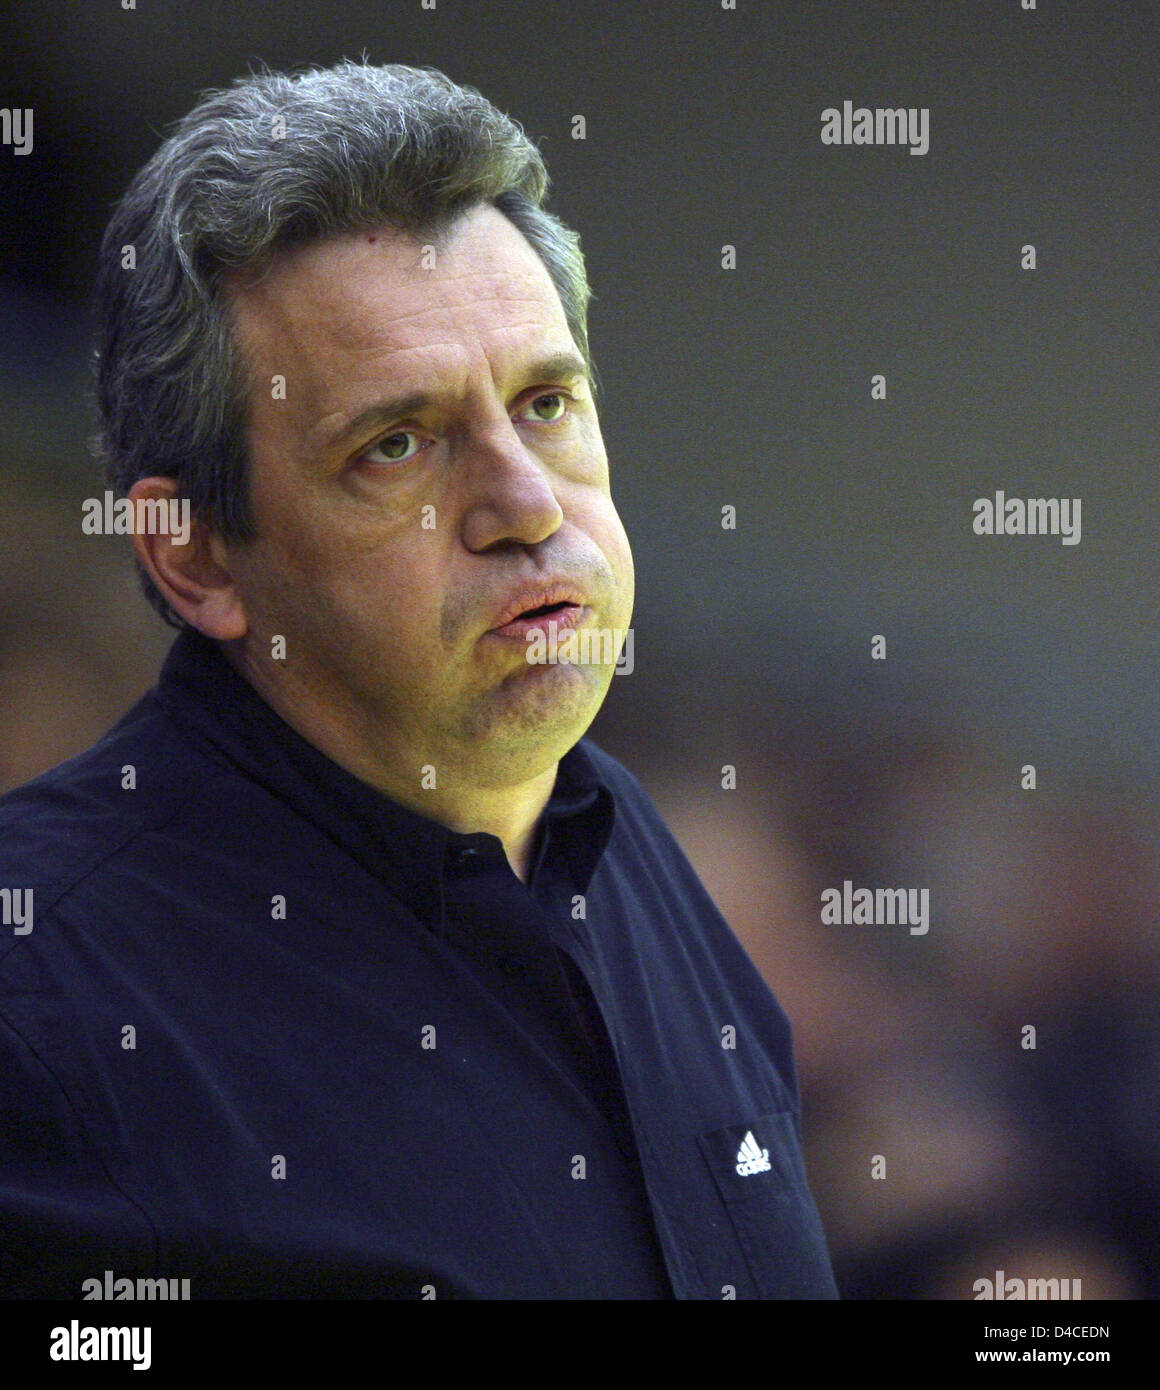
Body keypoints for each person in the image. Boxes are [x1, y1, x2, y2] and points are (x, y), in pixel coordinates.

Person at [0, 60, 837, 1299]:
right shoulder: (40, 986)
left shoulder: (629, 848)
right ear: (194, 553)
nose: (524, 502)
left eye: (547, 403)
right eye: (395, 444)